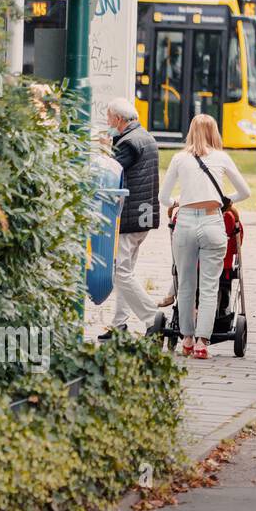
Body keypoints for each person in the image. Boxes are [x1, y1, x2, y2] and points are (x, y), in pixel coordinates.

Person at [159, 114, 251, 360]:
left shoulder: (179, 159)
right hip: (213, 220)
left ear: (190, 131)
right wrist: (224, 201)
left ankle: (186, 339)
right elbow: (245, 191)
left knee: (186, 284)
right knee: (210, 286)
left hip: (186, 221)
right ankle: (202, 342)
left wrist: (178, 202)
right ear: (214, 132)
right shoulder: (221, 157)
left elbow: (163, 198)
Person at [99, 99, 161, 340]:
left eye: (108, 118)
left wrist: (105, 148)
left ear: (118, 119)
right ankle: (119, 325)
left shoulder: (129, 143)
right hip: (143, 216)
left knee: (119, 272)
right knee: (126, 272)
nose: (107, 122)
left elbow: (110, 169)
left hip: (130, 217)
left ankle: (151, 316)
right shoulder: (145, 137)